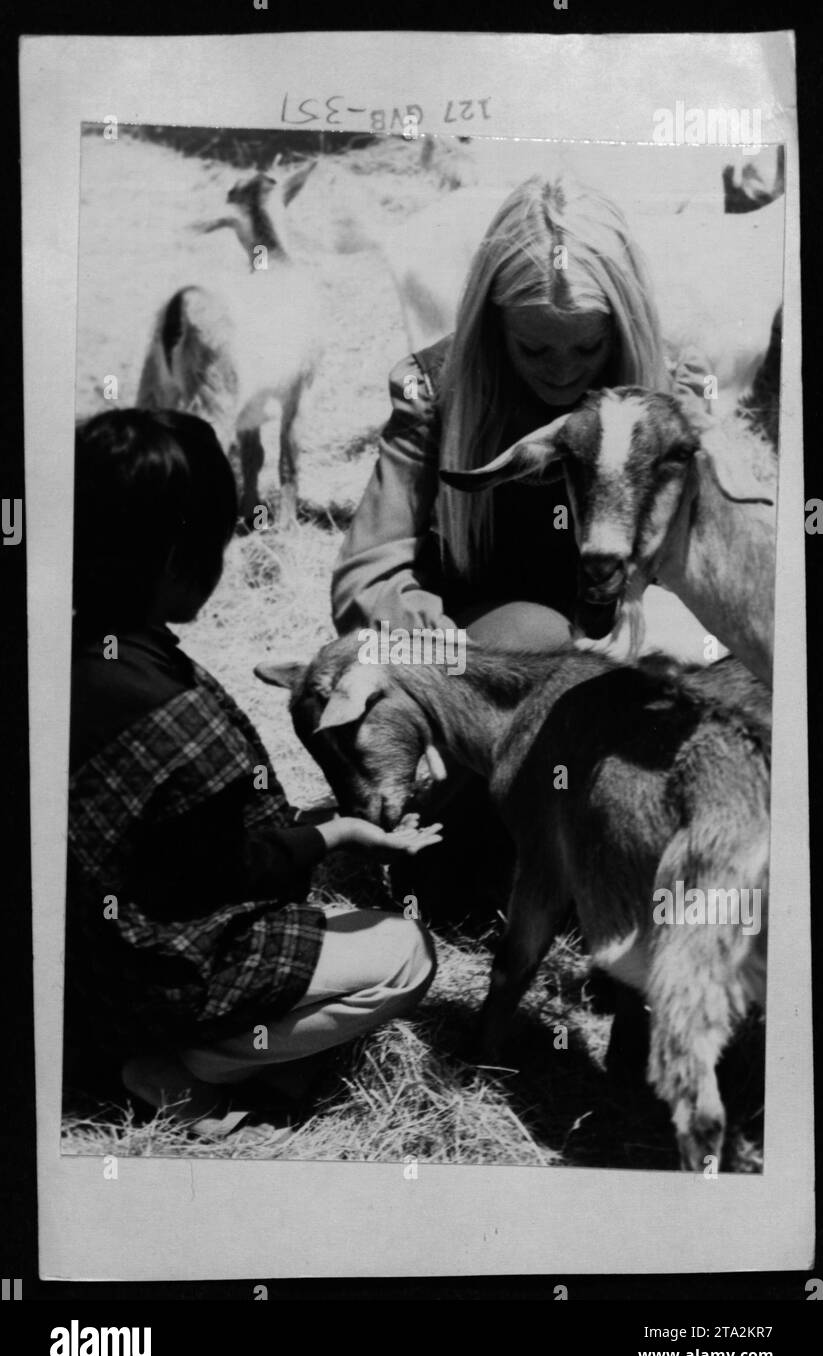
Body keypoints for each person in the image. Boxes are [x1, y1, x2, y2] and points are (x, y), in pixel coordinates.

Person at [330, 172, 712, 930]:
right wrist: (410, 617)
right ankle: (473, 838)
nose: (563, 371)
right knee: (533, 638)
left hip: (628, 651)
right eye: (533, 346)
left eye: (588, 348)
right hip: (491, 660)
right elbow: (368, 566)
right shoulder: (433, 390)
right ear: (489, 319)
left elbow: (710, 550)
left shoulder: (674, 388)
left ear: (624, 328)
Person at [66, 408, 441, 1136]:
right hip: (149, 976)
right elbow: (230, 875)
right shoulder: (178, 716)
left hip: (73, 961)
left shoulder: (62, 646)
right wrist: (336, 836)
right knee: (408, 953)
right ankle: (188, 1069)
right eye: (220, 540)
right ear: (179, 560)